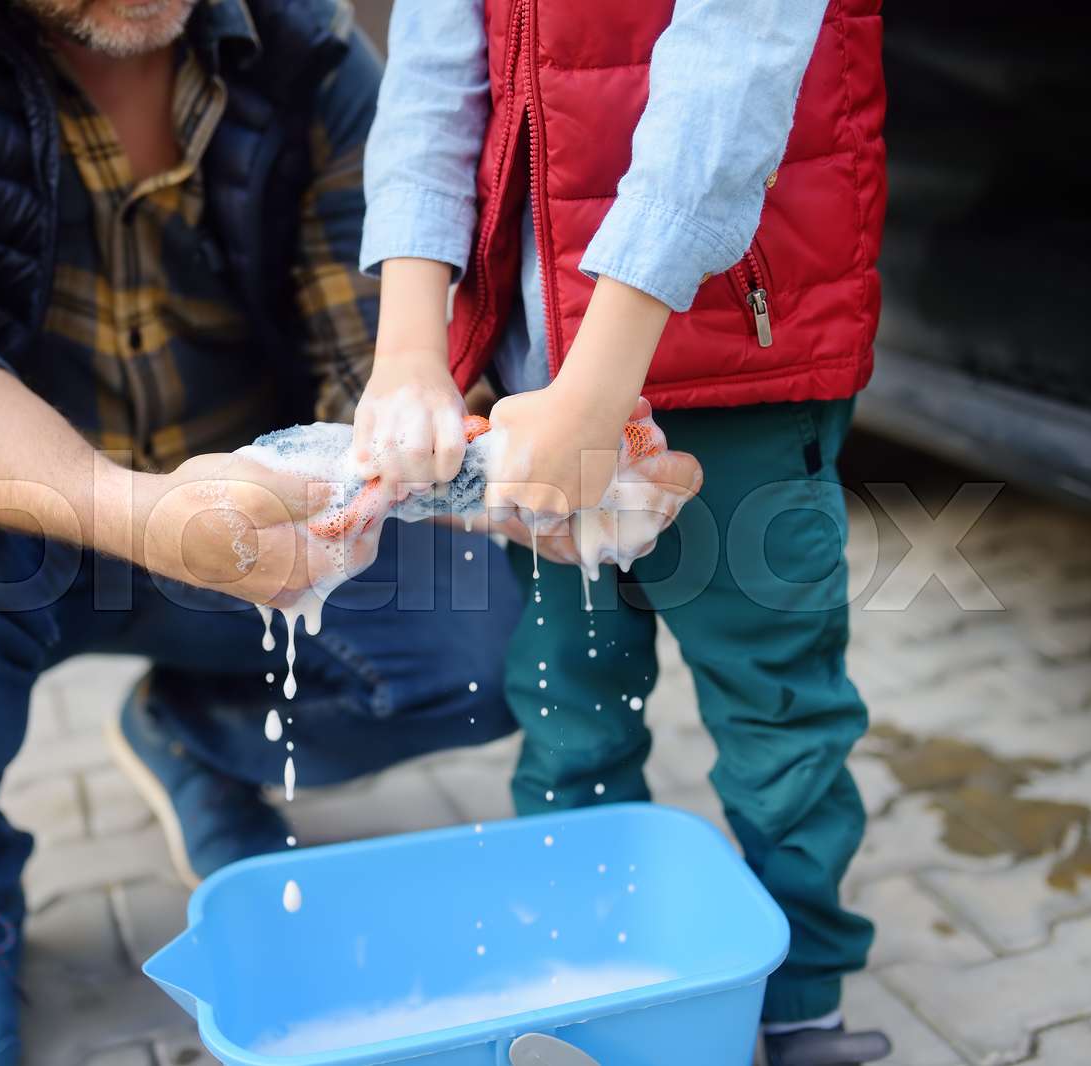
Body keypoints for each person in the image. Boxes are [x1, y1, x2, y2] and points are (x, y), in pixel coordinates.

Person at [0, 1, 529, 1061]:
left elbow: (371, 375)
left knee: (491, 637)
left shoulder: (312, 47)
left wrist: (526, 473)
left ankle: (190, 737)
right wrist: (143, 516)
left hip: (242, 523)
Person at [355, 1, 891, 1062]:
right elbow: (428, 82)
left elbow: (732, 67)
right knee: (568, 701)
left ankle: (800, 998)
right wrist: (407, 344)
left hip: (741, 365)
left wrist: (598, 384)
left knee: (777, 704)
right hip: (535, 393)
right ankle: (589, 976)